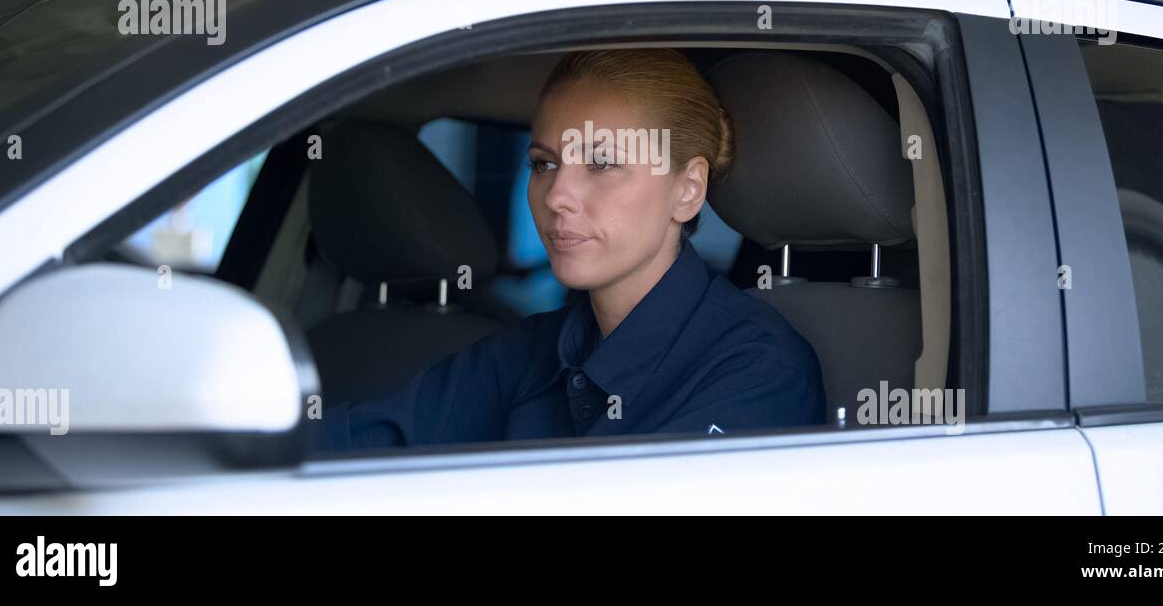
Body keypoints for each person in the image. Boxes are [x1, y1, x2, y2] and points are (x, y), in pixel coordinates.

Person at [315, 48, 825, 449]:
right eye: (543, 163)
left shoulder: (757, 371)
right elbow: (355, 443)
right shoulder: (529, 352)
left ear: (688, 189)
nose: (556, 196)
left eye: (602, 163)